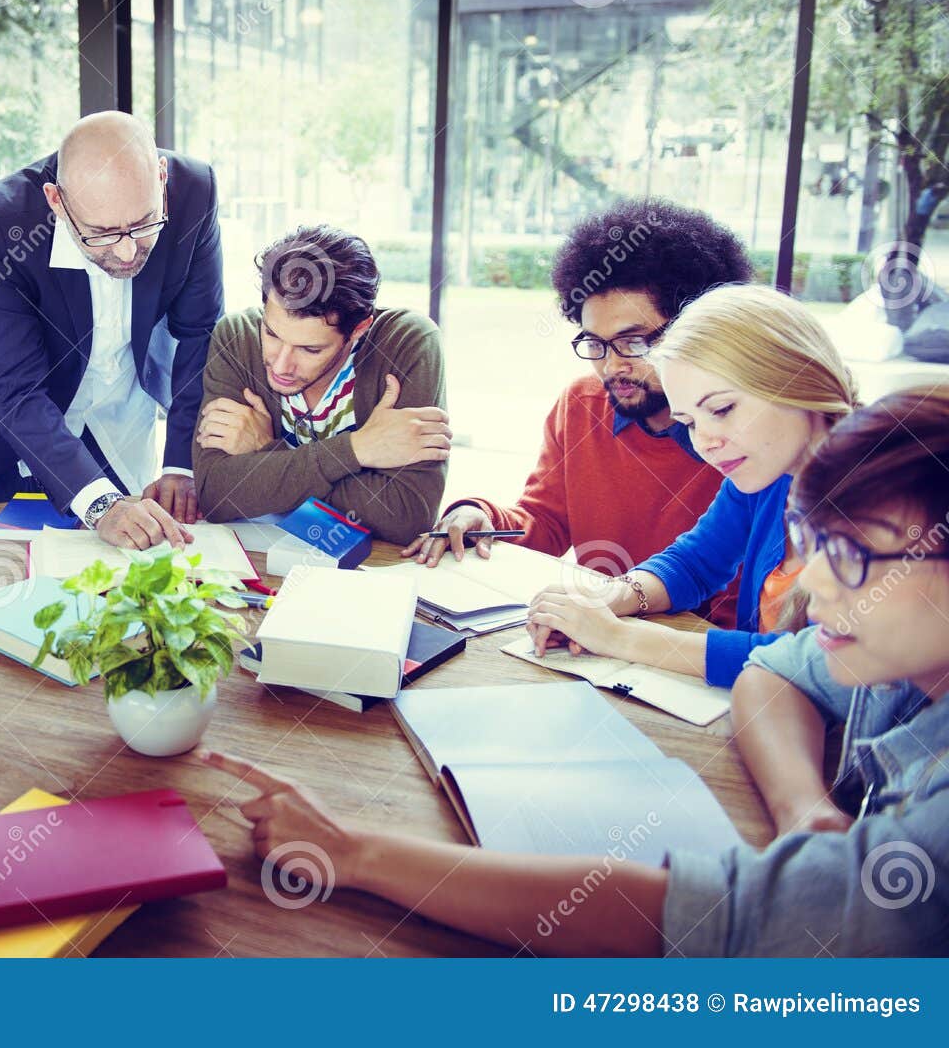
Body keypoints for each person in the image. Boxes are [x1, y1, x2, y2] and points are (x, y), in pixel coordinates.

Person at [202, 385, 949, 956]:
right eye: (811, 545)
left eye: (850, 557)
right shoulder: (890, 653)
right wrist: (804, 814)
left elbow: (709, 920)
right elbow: (778, 669)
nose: (814, 586)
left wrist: (350, 849)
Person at [406, 200, 754, 623]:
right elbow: (546, 522)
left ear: (696, 328)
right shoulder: (582, 405)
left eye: (634, 341)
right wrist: (484, 516)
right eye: (595, 344)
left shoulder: (745, 436)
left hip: (696, 654)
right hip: (595, 632)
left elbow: (738, 604)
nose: (611, 367)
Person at [524, 284, 857, 686]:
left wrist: (621, 638)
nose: (706, 442)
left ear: (797, 378)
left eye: (721, 409)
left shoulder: (886, 495)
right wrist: (612, 598)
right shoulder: (771, 471)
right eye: (691, 423)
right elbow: (697, 562)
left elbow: (818, 663)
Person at [0, 111, 222, 550]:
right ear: (56, 200)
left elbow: (197, 336)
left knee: (131, 560)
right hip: (16, 424)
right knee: (15, 569)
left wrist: (182, 465)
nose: (127, 252)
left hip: (122, 411)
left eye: (144, 224)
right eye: (102, 234)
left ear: (160, 177)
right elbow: (15, 388)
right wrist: (100, 505)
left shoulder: (195, 192)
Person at [192, 225, 450, 543]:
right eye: (272, 333)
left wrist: (267, 451)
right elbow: (216, 496)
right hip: (265, 561)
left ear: (358, 329)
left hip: (372, 573)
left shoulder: (407, 343)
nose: (282, 364)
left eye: (310, 349)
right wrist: (356, 450)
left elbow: (405, 516)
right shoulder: (237, 336)